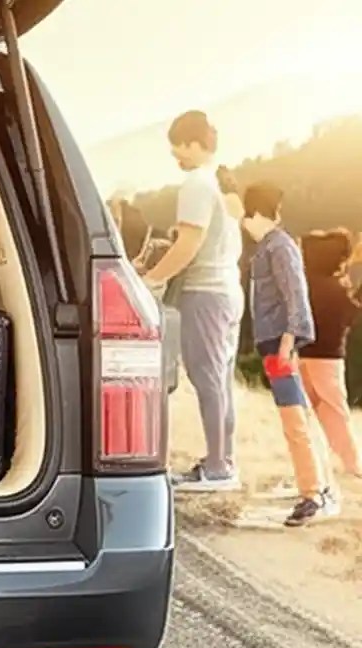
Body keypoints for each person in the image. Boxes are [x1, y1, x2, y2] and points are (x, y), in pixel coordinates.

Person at [140, 110, 245, 491]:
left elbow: (189, 244)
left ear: (194, 144)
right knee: (220, 380)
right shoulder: (219, 184)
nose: (176, 156)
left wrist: (151, 279)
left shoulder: (197, 185)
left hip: (205, 294)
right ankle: (223, 460)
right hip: (228, 292)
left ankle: (217, 468)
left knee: (207, 379)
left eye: (178, 148)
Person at [244, 183, 339, 526]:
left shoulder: (279, 247)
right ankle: (318, 486)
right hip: (275, 344)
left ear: (253, 214)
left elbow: (295, 295)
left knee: (293, 418)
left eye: (245, 216)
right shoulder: (271, 246)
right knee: (296, 416)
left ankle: (313, 494)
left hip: (280, 345)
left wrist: (288, 340)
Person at [300, 228, 362, 479]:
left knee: (307, 411)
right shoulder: (336, 290)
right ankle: (352, 465)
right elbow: (354, 313)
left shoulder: (306, 283)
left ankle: (317, 463)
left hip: (299, 355)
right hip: (327, 359)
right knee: (336, 411)